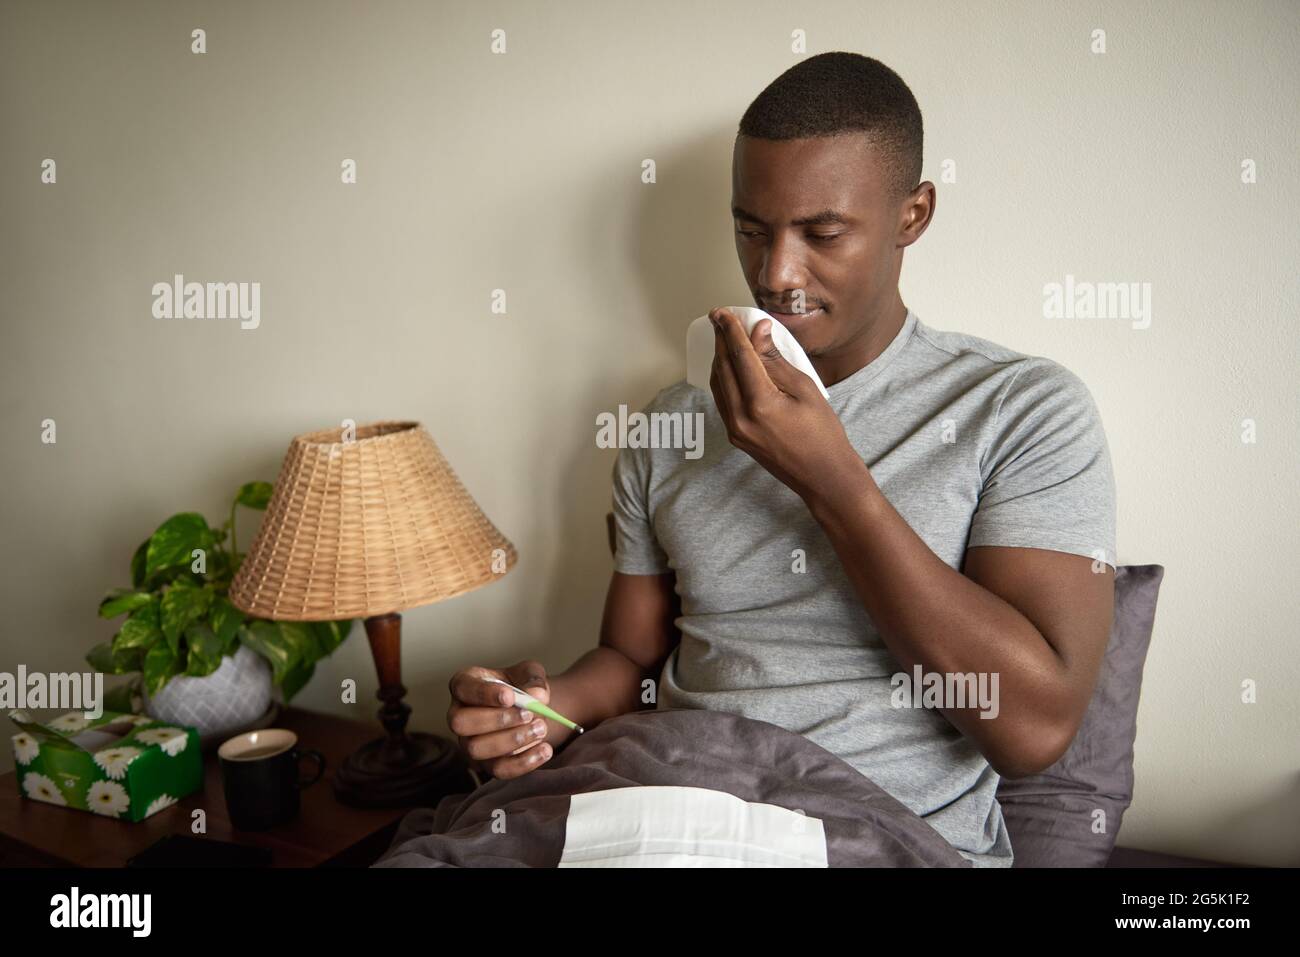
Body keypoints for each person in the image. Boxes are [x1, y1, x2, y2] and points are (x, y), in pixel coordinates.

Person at [448, 51, 1116, 867]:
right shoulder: (674, 420)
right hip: (663, 802)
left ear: (913, 215)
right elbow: (631, 660)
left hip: (871, 829)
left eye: (821, 233)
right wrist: (542, 708)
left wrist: (830, 476)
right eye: (752, 230)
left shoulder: (1020, 409)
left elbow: (1034, 729)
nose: (775, 274)